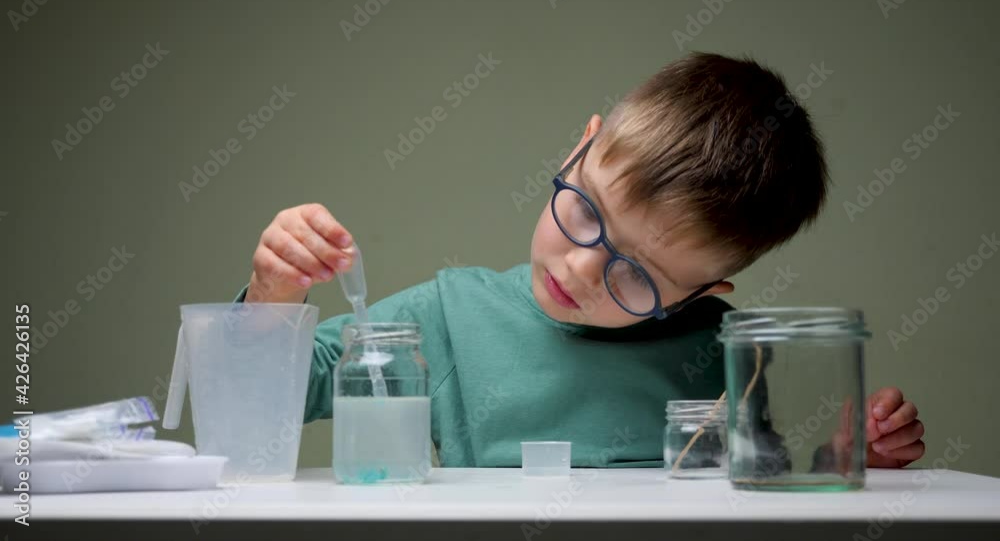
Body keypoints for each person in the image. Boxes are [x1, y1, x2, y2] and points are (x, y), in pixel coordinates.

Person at [237, 52, 924, 469]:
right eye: (585, 211)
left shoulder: (720, 352)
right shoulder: (447, 316)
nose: (581, 270)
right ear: (578, 149)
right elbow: (260, 404)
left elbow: (759, 488)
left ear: (700, 292)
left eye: (638, 277)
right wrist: (274, 288)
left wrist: (846, 461)